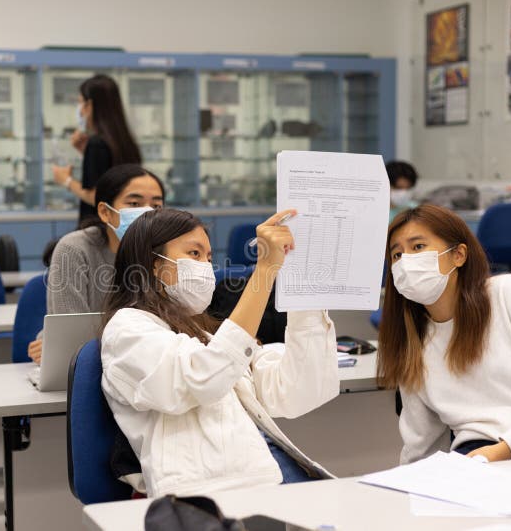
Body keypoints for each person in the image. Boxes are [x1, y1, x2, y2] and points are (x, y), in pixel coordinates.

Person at [100, 208, 340, 497]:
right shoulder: (127, 329)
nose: (205, 266)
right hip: (213, 495)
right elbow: (203, 377)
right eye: (194, 253)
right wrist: (264, 271)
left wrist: (307, 292)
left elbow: (299, 391)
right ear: (153, 264)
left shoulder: (204, 336)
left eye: (209, 257)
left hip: (268, 475)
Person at [378, 204, 511, 464]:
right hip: (476, 458)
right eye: (397, 254)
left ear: (458, 255)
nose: (406, 262)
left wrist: (506, 449)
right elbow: (420, 444)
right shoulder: (412, 340)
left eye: (418, 247)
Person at [27, 164, 164, 363]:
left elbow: (174, 329)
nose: (147, 212)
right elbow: (73, 343)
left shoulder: (167, 253)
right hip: (91, 371)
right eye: (134, 204)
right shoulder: (74, 249)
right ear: (105, 212)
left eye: (156, 206)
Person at [52, 74, 142, 226]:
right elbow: (111, 176)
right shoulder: (124, 141)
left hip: (96, 229)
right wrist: (85, 152)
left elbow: (97, 198)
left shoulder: (97, 143)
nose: (79, 110)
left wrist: (66, 181)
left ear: (90, 105)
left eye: (80, 103)